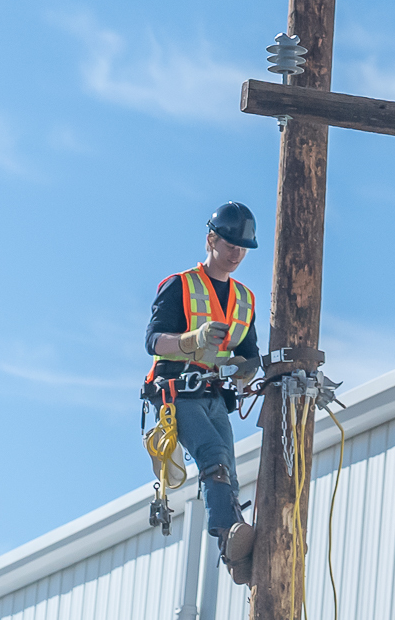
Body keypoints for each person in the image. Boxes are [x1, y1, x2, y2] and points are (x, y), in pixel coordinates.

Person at [145, 202, 263, 584]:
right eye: (230, 244)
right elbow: (153, 341)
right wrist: (190, 342)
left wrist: (248, 369)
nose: (236, 253)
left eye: (243, 247)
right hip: (177, 394)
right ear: (212, 239)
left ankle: (236, 556)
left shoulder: (244, 300)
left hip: (213, 397)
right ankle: (231, 536)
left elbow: (249, 354)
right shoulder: (181, 285)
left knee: (227, 469)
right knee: (213, 458)